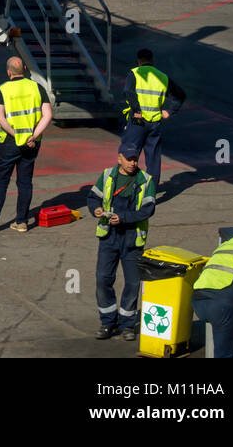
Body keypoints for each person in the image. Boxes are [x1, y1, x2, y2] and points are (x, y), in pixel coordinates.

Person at [0, 57, 52, 234]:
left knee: (0, 182)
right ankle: (21, 222)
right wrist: (33, 136)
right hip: (32, 143)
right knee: (25, 182)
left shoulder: (2, 89)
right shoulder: (37, 88)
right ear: (24, 68)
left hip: (9, 142)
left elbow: (0, 117)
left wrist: (17, 135)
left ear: (8, 72)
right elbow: (47, 115)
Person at [89, 143, 157, 340]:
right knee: (103, 279)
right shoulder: (108, 175)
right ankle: (107, 322)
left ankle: (127, 324)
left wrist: (123, 218)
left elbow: (148, 210)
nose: (133, 163)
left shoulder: (146, 180)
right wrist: (96, 209)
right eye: (129, 159)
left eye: (135, 159)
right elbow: (93, 196)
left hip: (132, 239)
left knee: (133, 282)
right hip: (109, 236)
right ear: (119, 158)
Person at [121, 48, 185, 190]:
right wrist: (170, 111)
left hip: (138, 122)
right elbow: (180, 95)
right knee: (154, 159)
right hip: (155, 123)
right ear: (152, 60)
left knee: (129, 154)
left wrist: (136, 109)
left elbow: (128, 92)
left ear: (139, 61)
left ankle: (126, 188)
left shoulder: (135, 73)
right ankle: (151, 191)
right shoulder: (162, 77)